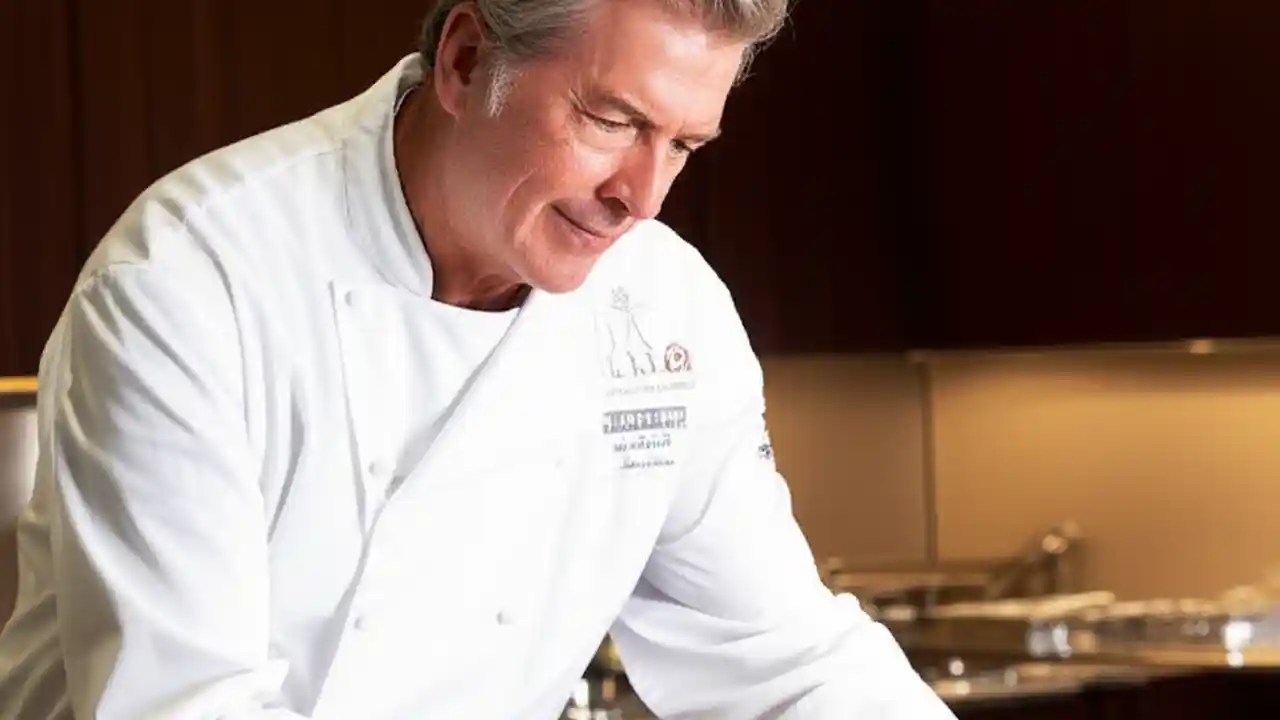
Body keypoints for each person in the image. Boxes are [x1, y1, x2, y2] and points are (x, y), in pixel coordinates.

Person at [0, 1, 956, 717]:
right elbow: (184, 707)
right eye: (612, 121)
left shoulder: (668, 309)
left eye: (682, 145)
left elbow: (784, 658)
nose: (643, 197)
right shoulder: (192, 282)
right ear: (465, 62)